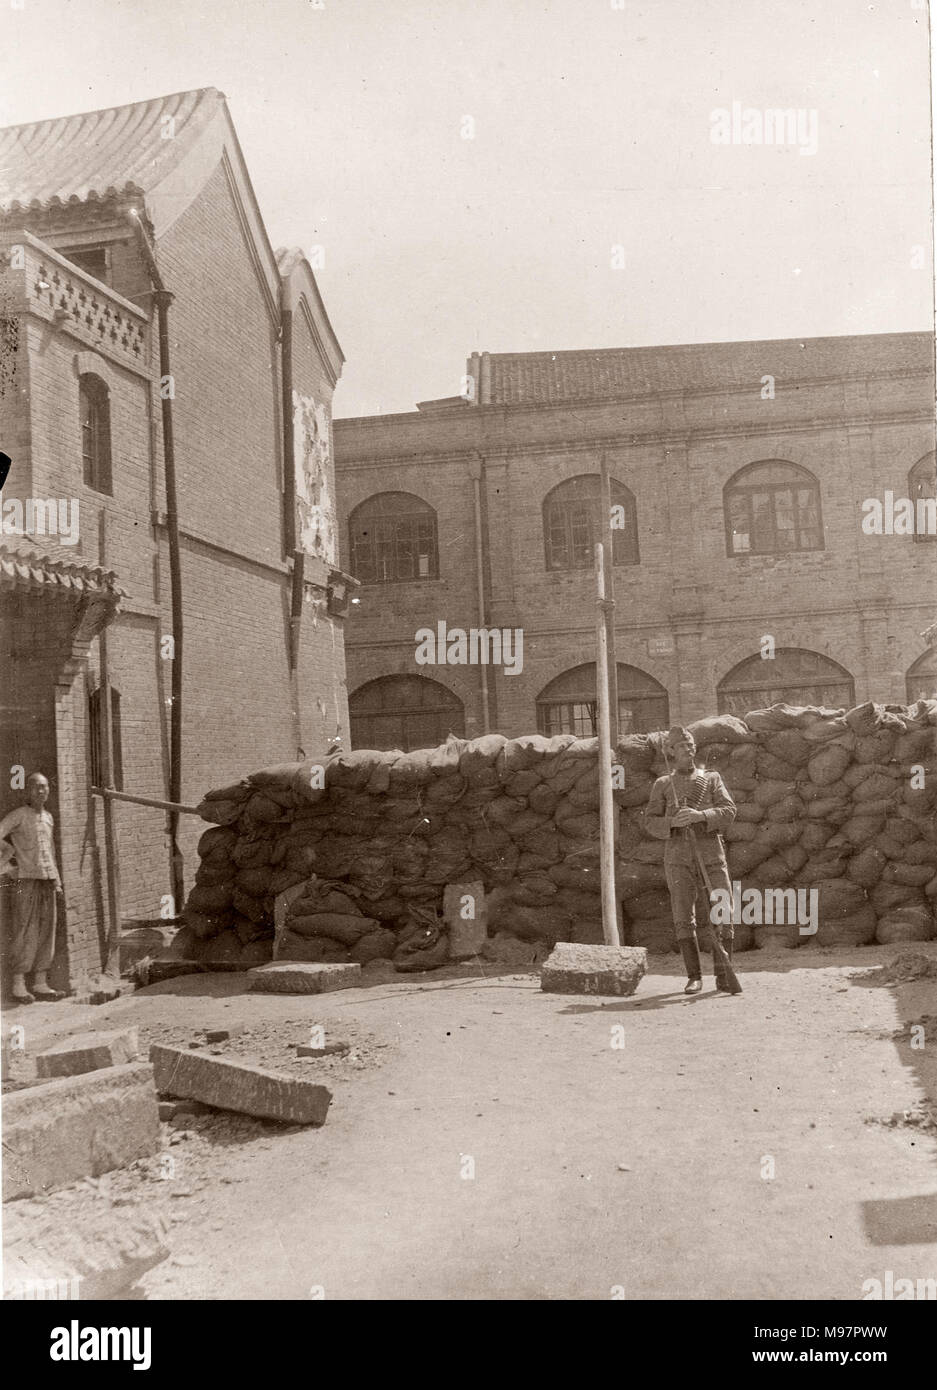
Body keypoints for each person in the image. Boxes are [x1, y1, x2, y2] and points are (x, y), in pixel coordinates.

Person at [644, 727, 737, 994]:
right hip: (677, 856)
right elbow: (649, 822)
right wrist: (672, 822)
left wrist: (701, 815)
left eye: (691, 744)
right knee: (684, 915)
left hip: (710, 854)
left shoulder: (711, 779)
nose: (689, 749)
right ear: (670, 751)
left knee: (723, 910)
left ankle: (723, 975)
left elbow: (729, 810)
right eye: (682, 745)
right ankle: (694, 976)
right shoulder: (662, 784)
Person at [0, 772, 64, 1003]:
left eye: (45, 787)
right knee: (24, 929)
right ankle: (19, 985)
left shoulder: (48, 817)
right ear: (28, 790)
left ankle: (40, 982)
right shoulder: (19, 815)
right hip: (26, 880)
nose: (41, 791)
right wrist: (7, 866)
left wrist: (56, 881)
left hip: (47, 880)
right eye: (37, 787)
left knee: (47, 929)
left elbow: (51, 851)